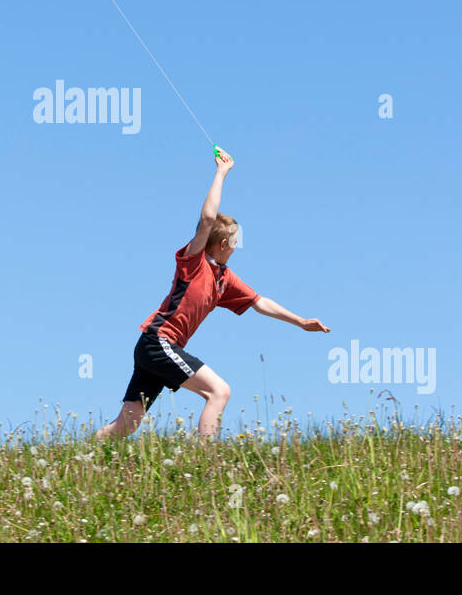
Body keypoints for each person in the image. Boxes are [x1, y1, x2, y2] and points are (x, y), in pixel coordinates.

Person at [95, 149, 330, 441]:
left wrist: (301, 321)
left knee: (127, 424)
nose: (236, 246)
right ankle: (204, 462)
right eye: (235, 241)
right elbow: (207, 218)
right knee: (219, 391)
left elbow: (260, 302)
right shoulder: (193, 263)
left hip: (154, 347)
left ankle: (81, 458)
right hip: (158, 342)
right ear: (222, 243)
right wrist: (221, 173)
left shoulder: (224, 279)